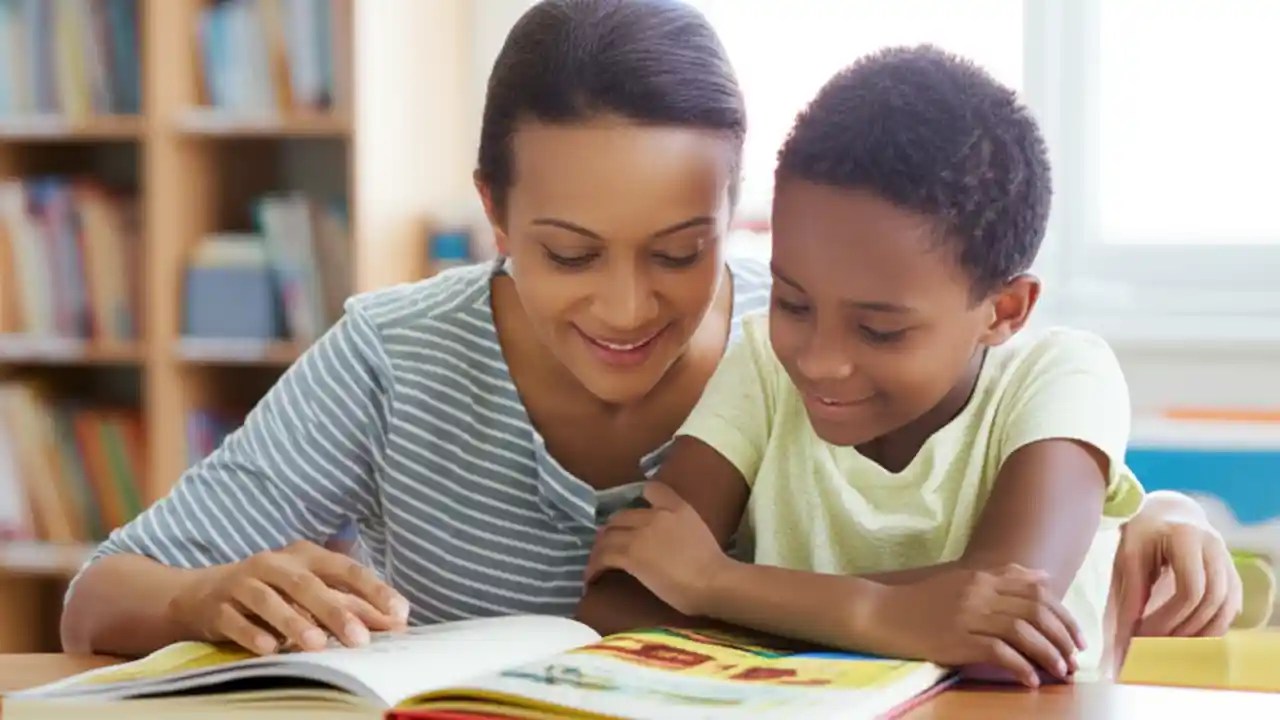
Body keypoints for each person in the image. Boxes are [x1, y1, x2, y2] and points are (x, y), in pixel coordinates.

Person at [60, 0, 1236, 660]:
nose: (627, 311)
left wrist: (1169, 510)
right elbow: (100, 593)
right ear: (493, 212)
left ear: (736, 220)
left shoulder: (791, 335)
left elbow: (1026, 461)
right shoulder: (392, 354)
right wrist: (197, 599)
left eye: (680, 252)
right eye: (567, 253)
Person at [580, 44, 1244, 687]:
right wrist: (913, 617)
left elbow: (1003, 622)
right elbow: (620, 598)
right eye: (792, 302)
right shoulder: (761, 365)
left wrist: (716, 585)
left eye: (879, 329)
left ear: (1003, 309)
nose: (820, 360)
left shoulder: (1062, 375)